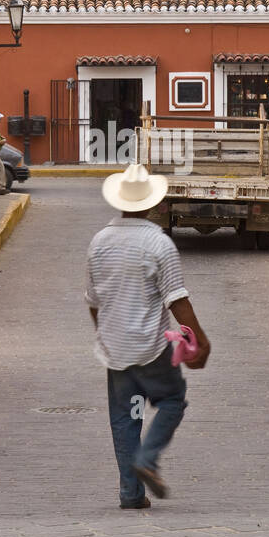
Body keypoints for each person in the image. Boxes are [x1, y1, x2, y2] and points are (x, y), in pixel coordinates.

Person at [86, 164, 210, 509]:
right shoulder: (159, 243)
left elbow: (93, 302)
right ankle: (148, 458)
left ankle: (130, 493)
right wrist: (200, 340)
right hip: (152, 347)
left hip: (115, 349)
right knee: (171, 401)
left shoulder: (99, 243)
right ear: (153, 204)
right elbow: (176, 299)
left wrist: (107, 334)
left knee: (124, 417)